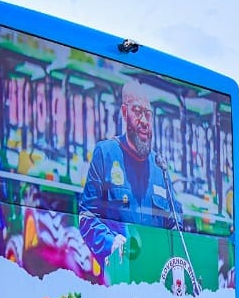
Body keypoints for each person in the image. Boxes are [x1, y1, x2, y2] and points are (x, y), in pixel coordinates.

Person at [77, 80, 183, 273]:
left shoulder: (160, 167)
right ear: (125, 113)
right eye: (137, 111)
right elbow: (87, 217)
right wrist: (110, 243)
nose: (144, 120)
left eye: (148, 114)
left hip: (156, 278)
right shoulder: (105, 154)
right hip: (118, 275)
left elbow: (176, 224)